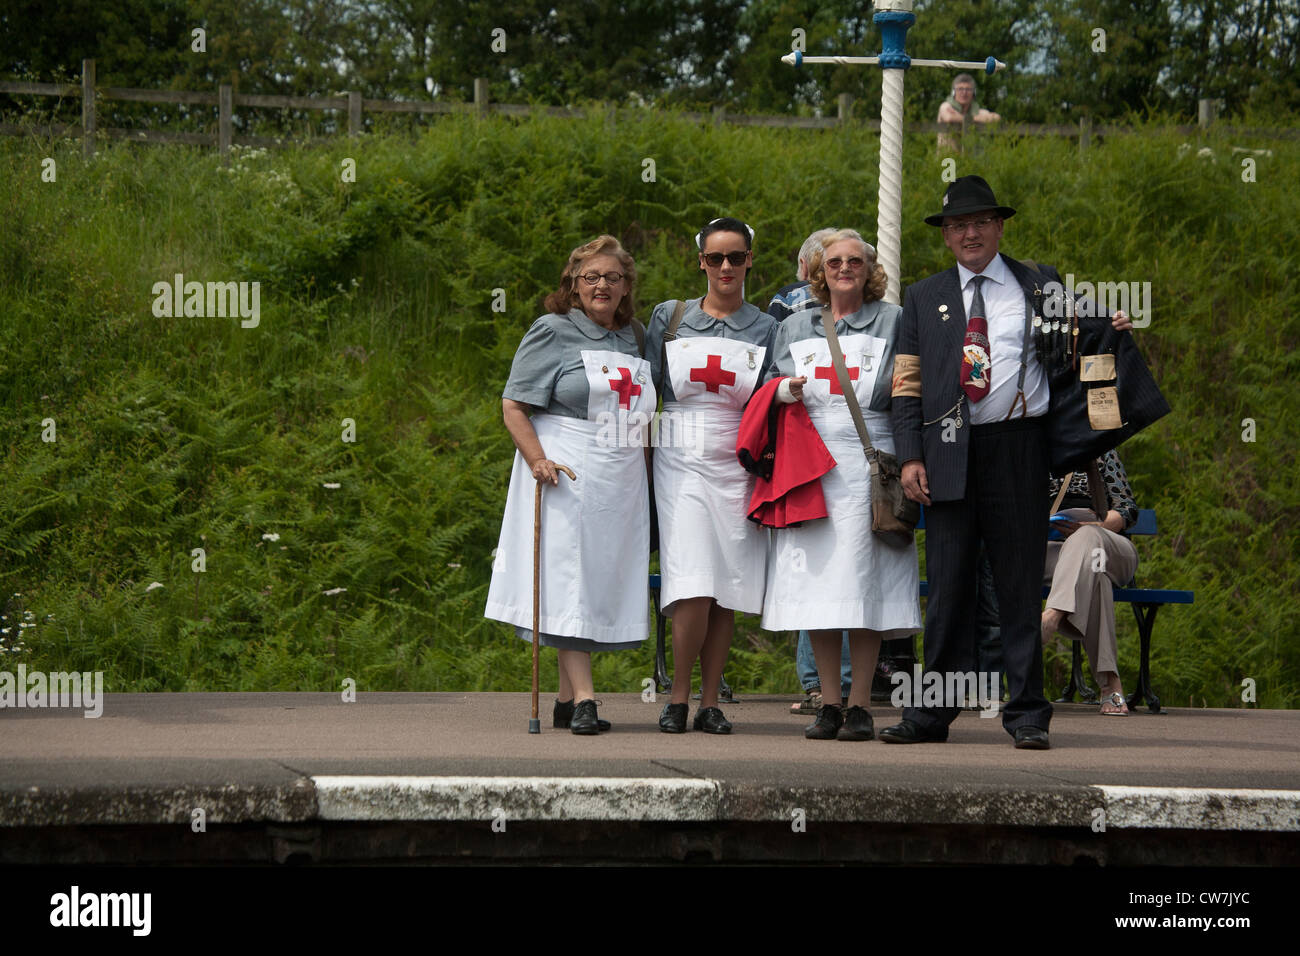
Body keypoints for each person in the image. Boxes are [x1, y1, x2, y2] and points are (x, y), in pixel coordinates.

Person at [885, 175, 1061, 749]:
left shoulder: (1041, 283)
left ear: (999, 227)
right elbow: (905, 383)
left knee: (1018, 587)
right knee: (949, 588)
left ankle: (1028, 714)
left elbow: (1078, 337)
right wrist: (910, 455)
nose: (969, 233)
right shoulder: (922, 295)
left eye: (980, 222)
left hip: (1020, 445)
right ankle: (932, 715)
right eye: (958, 225)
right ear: (945, 236)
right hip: (949, 450)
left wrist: (1109, 327)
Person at [484, 235, 654, 735]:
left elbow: (647, 414)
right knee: (568, 577)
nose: (602, 285)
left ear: (626, 287)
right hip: (567, 464)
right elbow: (514, 404)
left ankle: (563, 698)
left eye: (612, 277)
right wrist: (537, 459)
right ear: (573, 285)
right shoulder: (552, 331)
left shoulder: (638, 338)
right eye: (591, 277)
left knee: (595, 578)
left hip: (621, 472)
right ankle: (585, 698)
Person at [762, 229, 922, 741]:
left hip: (871, 464)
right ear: (818, 270)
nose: (844, 269)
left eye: (855, 261)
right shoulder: (792, 326)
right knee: (821, 588)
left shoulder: (896, 321)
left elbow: (914, 389)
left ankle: (859, 706)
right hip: (810, 465)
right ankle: (827, 703)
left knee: (864, 584)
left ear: (869, 269)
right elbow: (768, 384)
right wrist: (784, 390)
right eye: (834, 262)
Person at [647, 217, 777, 734]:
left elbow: (769, 400)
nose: (727, 267)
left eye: (737, 257)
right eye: (716, 258)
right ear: (701, 261)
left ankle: (710, 702)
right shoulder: (669, 318)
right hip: (679, 460)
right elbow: (642, 386)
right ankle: (676, 696)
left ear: (749, 261)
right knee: (692, 581)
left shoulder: (768, 327)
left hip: (739, 460)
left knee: (728, 586)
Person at [1042, 450, 1141, 715]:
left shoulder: (1102, 450)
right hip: (1055, 552)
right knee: (1095, 575)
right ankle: (1110, 686)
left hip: (1109, 546)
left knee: (1087, 537)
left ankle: (1053, 615)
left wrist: (1094, 525)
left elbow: (1127, 509)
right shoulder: (1036, 448)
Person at [937, 73, 1001, 151]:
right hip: (947, 159)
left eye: (968, 89)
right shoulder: (946, 105)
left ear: (974, 93)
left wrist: (968, 118)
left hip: (968, 160)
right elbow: (949, 117)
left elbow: (996, 118)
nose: (964, 92)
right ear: (953, 92)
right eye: (960, 89)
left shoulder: (976, 111)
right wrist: (977, 119)